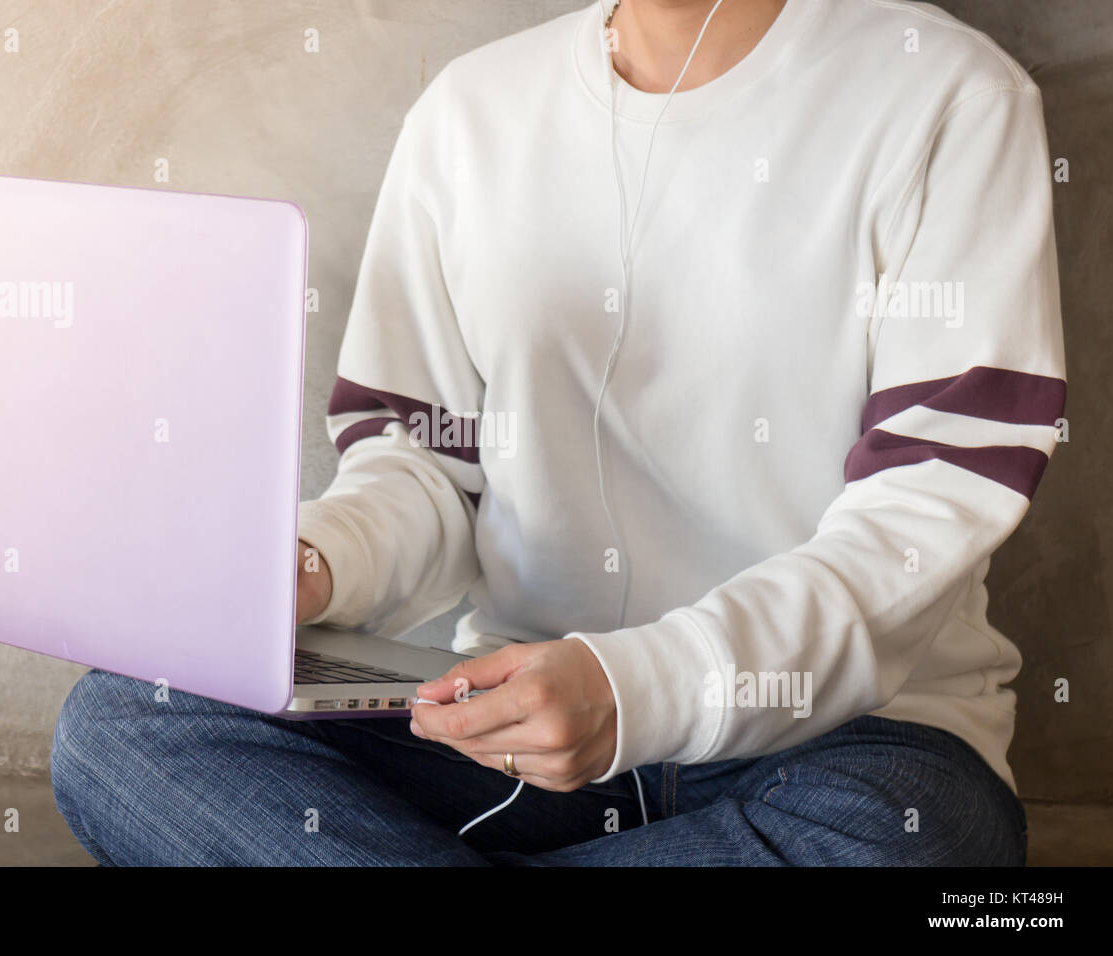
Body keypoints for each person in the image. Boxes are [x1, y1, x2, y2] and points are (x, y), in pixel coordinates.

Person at [52, 0, 1065, 865]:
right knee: (124, 718)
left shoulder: (950, 96)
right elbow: (430, 467)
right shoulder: (470, 111)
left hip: (843, 741)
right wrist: (321, 560)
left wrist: (638, 686)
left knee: (910, 837)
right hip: (501, 728)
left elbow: (923, 509)